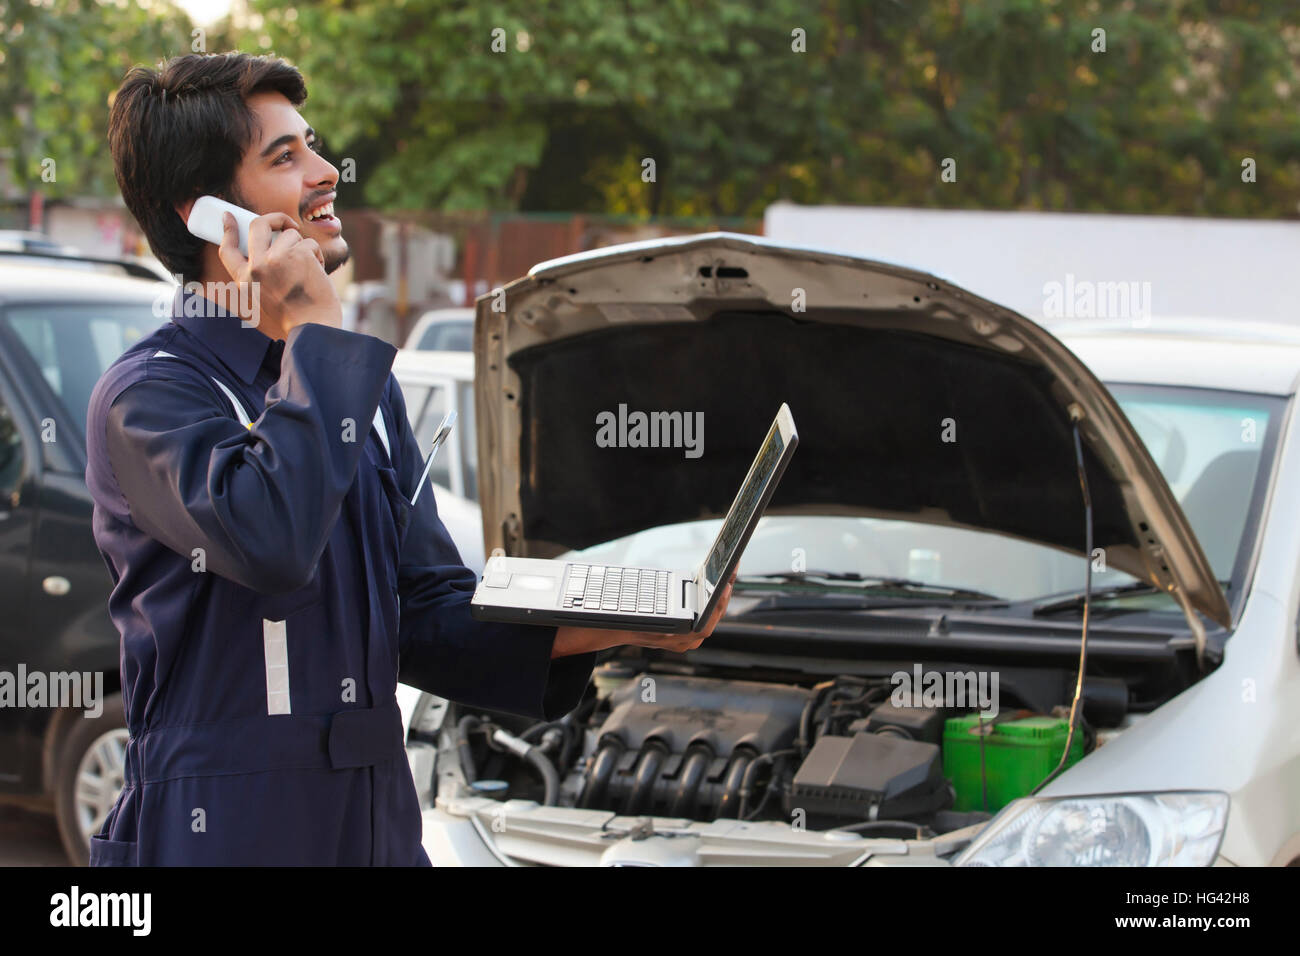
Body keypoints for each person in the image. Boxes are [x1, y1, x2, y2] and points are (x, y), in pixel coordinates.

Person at [83, 51, 732, 866]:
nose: (326, 173)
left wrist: (619, 619)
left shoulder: (354, 385)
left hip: (374, 825)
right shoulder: (149, 397)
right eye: (285, 158)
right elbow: (269, 542)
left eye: (312, 145)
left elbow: (423, 615)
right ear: (208, 217)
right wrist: (314, 334)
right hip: (221, 830)